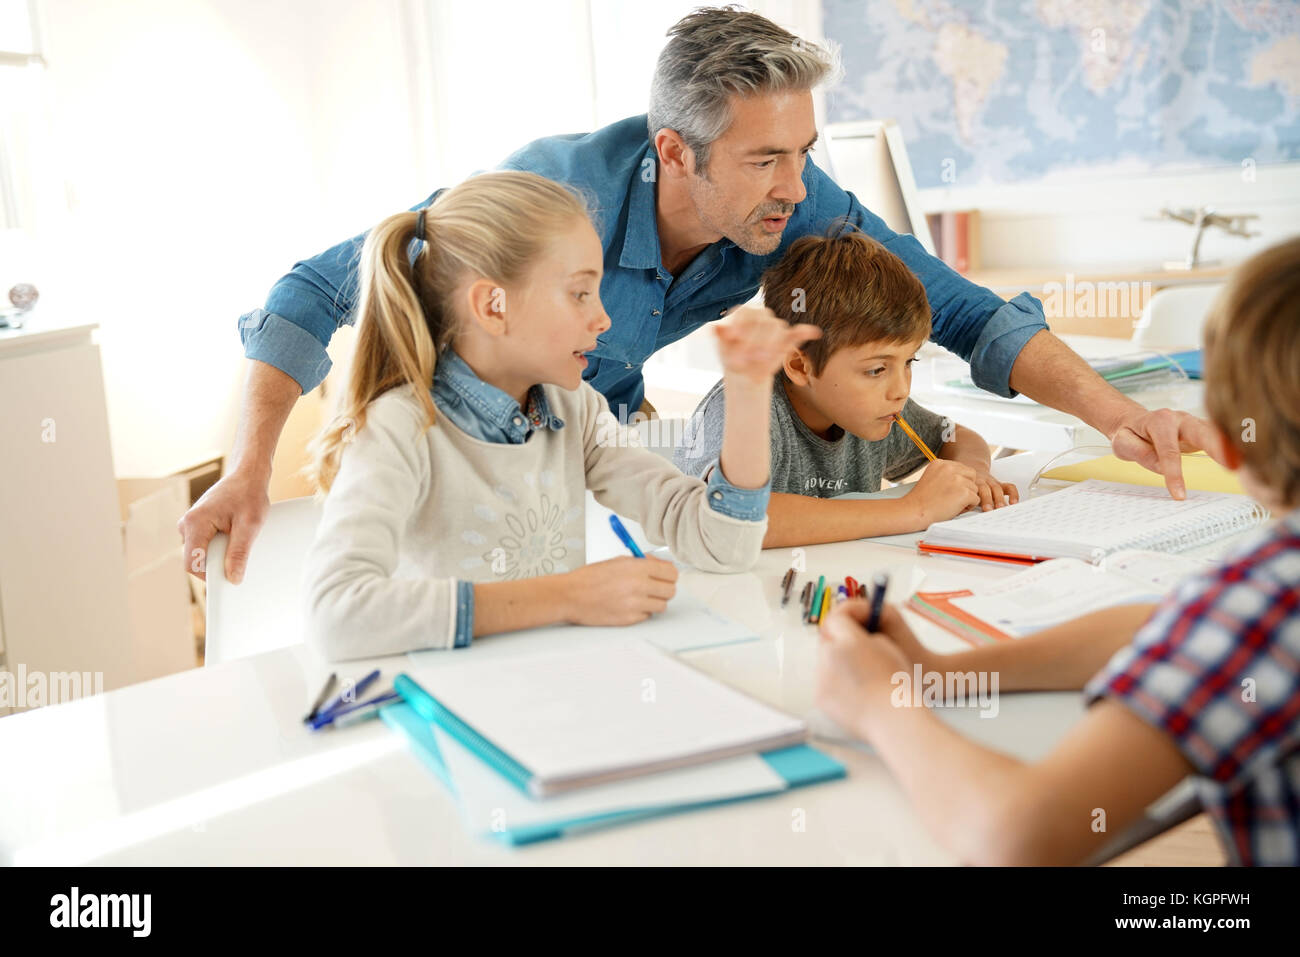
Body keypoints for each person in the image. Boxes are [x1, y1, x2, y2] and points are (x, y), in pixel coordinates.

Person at [180, 6, 1221, 584]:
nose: (796, 186)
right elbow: (313, 289)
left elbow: (963, 313)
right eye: (767, 158)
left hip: (590, 437)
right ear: (674, 151)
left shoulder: (792, 203)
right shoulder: (559, 196)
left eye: (804, 153)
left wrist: (1124, 418)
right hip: (464, 465)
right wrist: (248, 469)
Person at [814, 237, 1300, 866]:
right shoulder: (1251, 601)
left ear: (1230, 442)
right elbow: (1173, 623)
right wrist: (940, 674)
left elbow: (1018, 838)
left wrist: (880, 705)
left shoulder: (1269, 601)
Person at [301, 170, 817, 661]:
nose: (603, 318)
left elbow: (725, 546)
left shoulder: (575, 410)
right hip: (458, 711)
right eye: (579, 293)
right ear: (493, 305)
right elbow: (337, 615)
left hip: (559, 690)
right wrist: (567, 596)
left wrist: (748, 391)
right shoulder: (399, 429)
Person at [675, 228, 1017, 547]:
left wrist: (975, 475)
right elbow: (736, 519)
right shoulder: (748, 407)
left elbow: (954, 435)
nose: (900, 389)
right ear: (799, 365)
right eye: (877, 369)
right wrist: (914, 509)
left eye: (909, 361)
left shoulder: (872, 407)